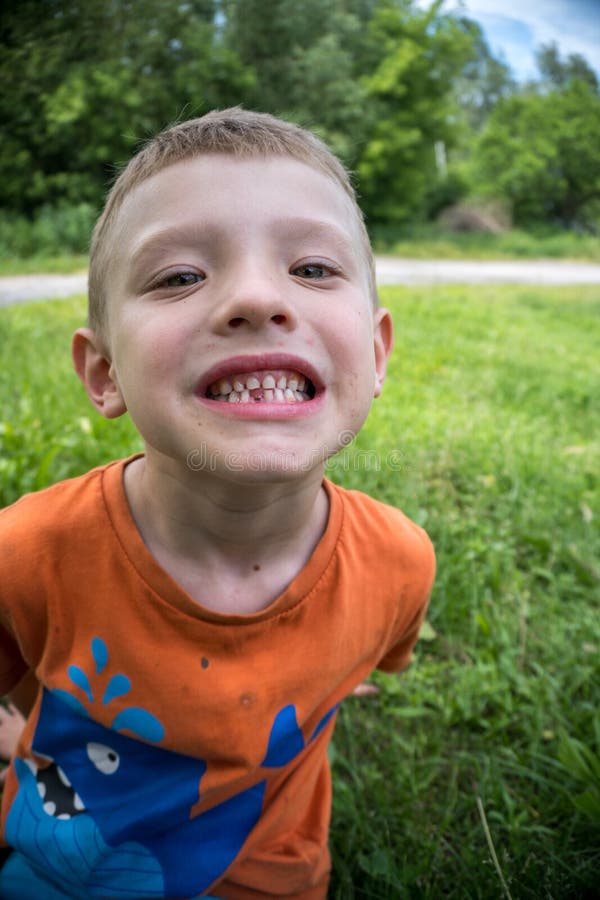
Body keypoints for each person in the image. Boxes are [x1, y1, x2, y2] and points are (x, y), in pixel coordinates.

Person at [0, 108, 435, 899]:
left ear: (374, 356)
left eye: (311, 269)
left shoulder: (398, 563)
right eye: (179, 276)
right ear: (104, 376)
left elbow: (376, 652)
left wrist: (325, 670)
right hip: (60, 867)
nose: (257, 298)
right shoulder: (26, 552)